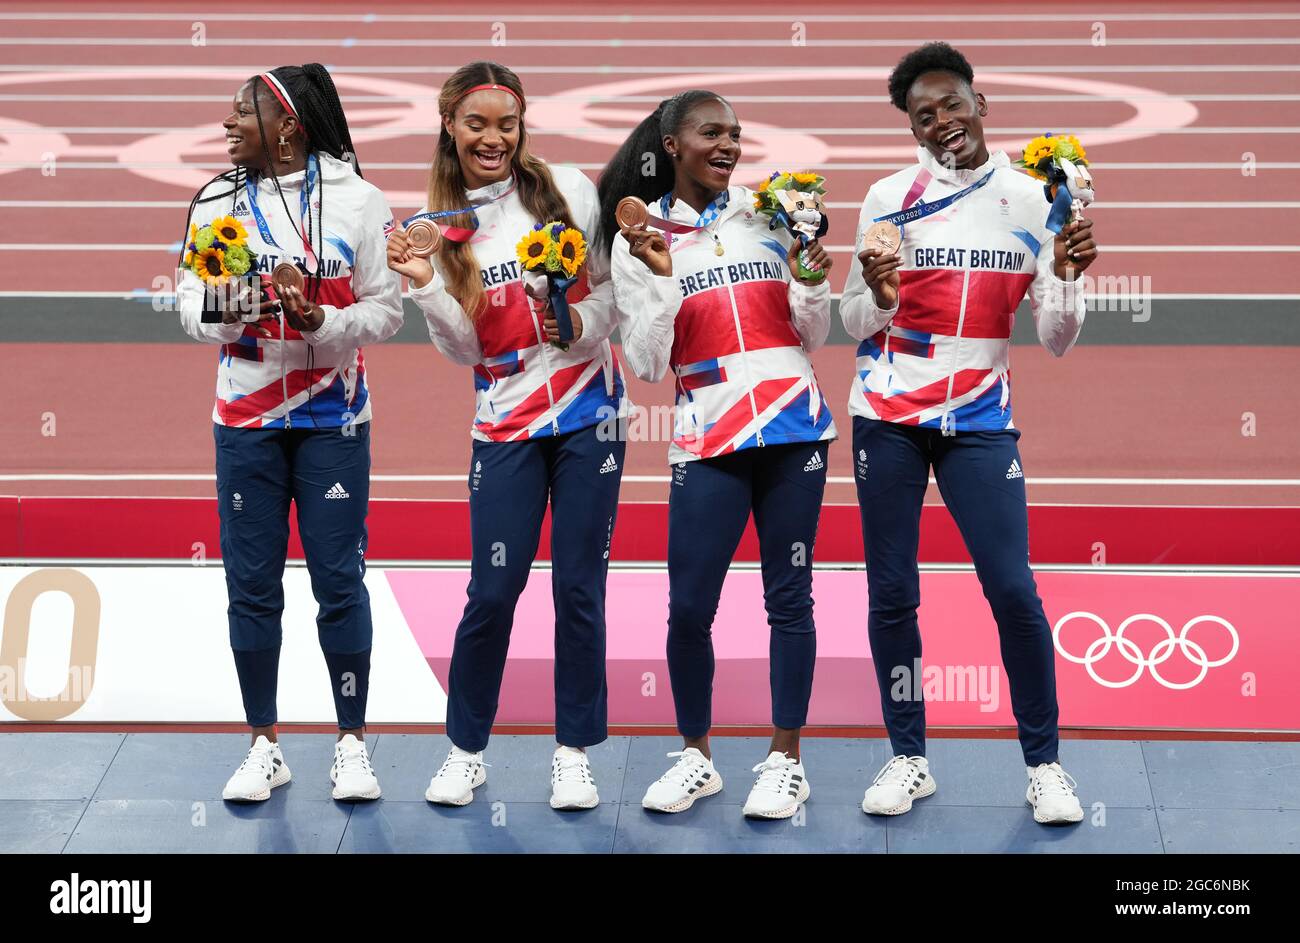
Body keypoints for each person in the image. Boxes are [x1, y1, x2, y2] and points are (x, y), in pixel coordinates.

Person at [842, 42, 1097, 824]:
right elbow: (850, 319)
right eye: (924, 116)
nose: (941, 121)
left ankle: (1044, 764)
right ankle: (908, 756)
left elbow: (1056, 337)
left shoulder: (1035, 200)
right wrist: (880, 293)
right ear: (912, 130)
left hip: (980, 423)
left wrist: (1066, 274)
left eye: (951, 104)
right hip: (886, 417)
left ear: (979, 105)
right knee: (892, 594)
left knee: (1014, 590)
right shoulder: (889, 196)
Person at [388, 61, 629, 810]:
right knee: (492, 592)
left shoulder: (570, 192)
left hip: (590, 416)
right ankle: (466, 750)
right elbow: (466, 349)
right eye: (476, 123)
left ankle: (574, 753)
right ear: (449, 127)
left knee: (580, 590)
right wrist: (427, 283)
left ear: (523, 126)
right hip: (506, 425)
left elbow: (615, 293)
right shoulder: (440, 224)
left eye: (507, 123)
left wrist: (578, 324)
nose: (493, 138)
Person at [601, 91, 835, 820]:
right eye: (711, 133)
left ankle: (785, 758)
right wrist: (664, 275)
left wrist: (810, 274)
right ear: (673, 145)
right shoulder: (637, 238)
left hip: (795, 428)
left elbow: (815, 333)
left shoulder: (773, 213)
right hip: (708, 439)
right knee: (689, 608)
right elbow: (645, 363)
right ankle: (697, 756)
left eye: (735, 133)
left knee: (788, 600)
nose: (729, 143)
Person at [177, 65, 403, 802]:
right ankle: (263, 743)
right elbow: (189, 309)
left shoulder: (360, 201)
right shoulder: (215, 200)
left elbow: (388, 311)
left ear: (288, 127)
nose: (227, 125)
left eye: (242, 112)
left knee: (339, 582)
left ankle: (351, 743)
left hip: (334, 417)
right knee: (251, 585)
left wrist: (323, 322)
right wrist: (252, 302)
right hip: (246, 420)